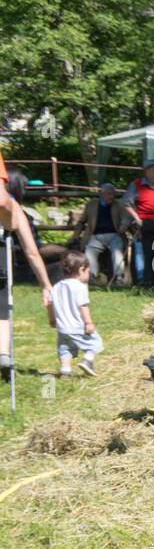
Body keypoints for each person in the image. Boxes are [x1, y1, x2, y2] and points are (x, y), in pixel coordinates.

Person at [0, 152, 55, 380]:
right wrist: (46, 285)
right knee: (2, 305)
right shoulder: (13, 206)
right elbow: (32, 252)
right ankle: (2, 352)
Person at [49, 249, 102, 377]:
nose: (89, 275)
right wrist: (88, 323)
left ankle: (65, 370)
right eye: (88, 271)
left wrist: (52, 319)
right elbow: (83, 306)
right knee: (95, 343)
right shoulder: (80, 287)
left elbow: (50, 304)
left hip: (62, 328)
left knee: (65, 348)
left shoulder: (56, 286)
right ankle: (88, 360)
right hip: (77, 326)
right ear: (81, 270)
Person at [121, 160, 154, 288]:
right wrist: (137, 219)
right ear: (147, 171)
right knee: (149, 253)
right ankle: (148, 282)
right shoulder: (137, 184)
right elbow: (125, 202)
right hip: (148, 223)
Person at [77, 183, 131, 286]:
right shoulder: (91, 205)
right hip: (96, 236)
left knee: (117, 252)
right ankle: (91, 276)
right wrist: (75, 235)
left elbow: (126, 217)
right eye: (109, 194)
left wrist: (124, 224)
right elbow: (81, 222)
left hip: (114, 235)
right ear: (101, 194)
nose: (112, 196)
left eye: (113, 194)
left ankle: (119, 277)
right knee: (89, 251)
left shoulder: (118, 205)